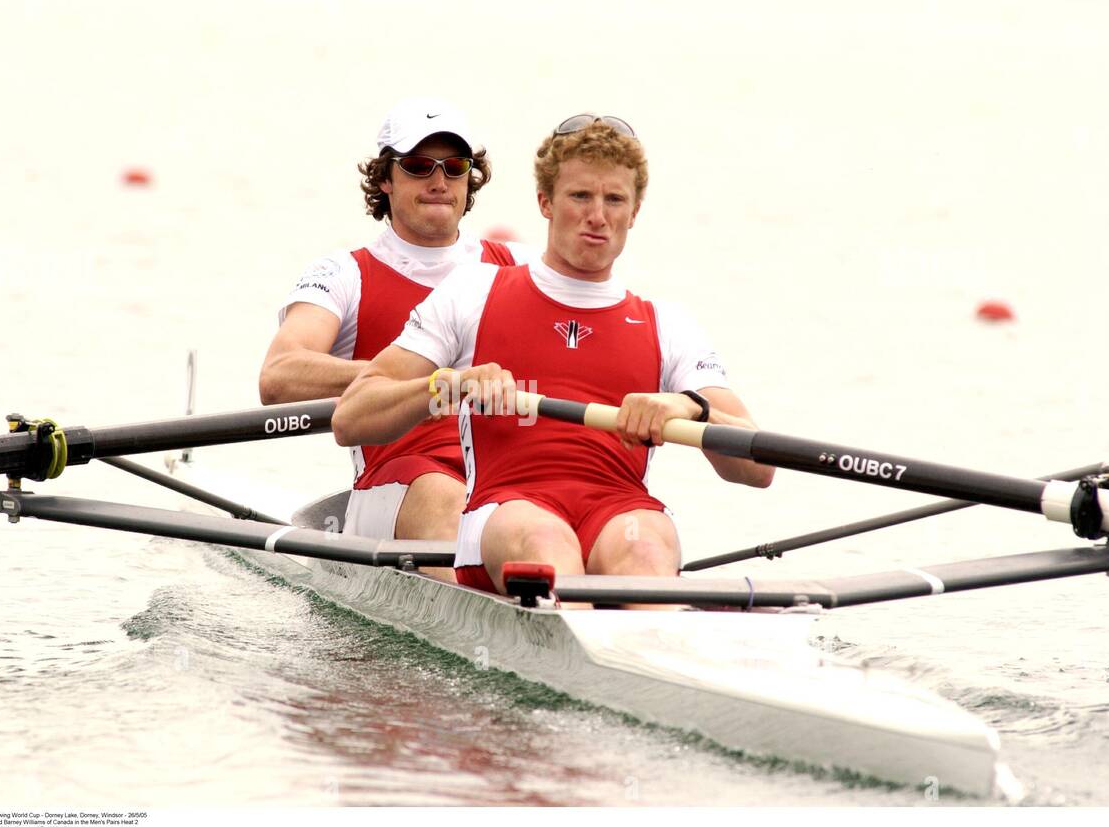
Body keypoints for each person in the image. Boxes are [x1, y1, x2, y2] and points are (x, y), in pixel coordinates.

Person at [331, 115, 773, 602]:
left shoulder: (666, 322)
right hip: (511, 504)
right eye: (580, 196)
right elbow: (352, 417)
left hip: (620, 508)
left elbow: (758, 468)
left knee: (647, 551)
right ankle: (585, 642)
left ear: (635, 211)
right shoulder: (474, 291)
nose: (597, 216)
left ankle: (642, 650)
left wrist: (691, 408)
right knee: (550, 545)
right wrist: (445, 385)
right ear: (546, 202)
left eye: (614, 200)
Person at [259, 98, 523, 552]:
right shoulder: (344, 274)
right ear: (384, 177)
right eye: (419, 166)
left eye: (454, 166)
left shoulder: (518, 267)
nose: (439, 182)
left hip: (506, 478)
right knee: (448, 500)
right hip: (402, 481)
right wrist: (424, 381)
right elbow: (279, 377)